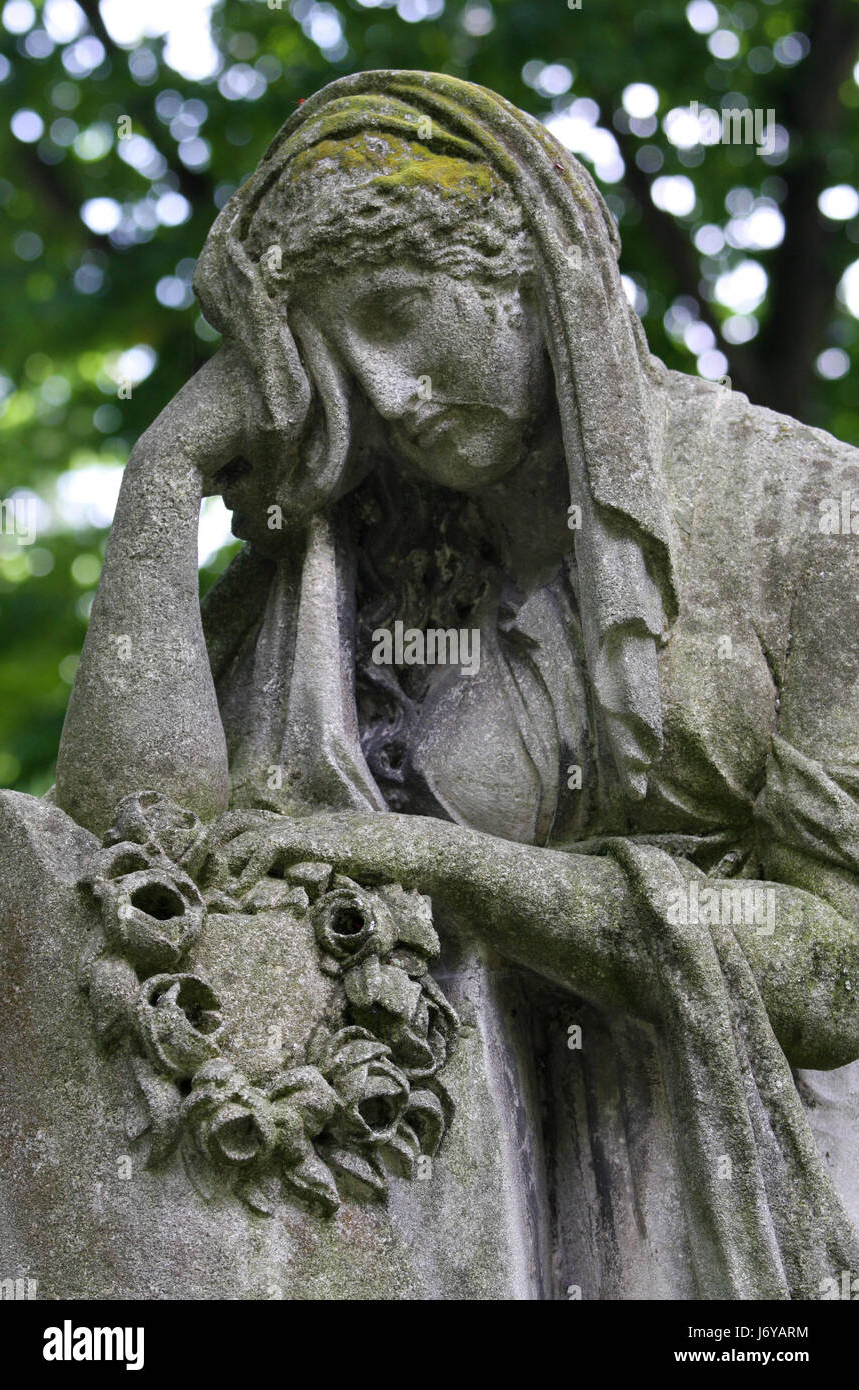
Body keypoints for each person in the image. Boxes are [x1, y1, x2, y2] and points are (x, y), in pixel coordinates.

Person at [52, 71, 859, 1298]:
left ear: (526, 271)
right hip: (412, 1196)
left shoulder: (806, 515)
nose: (382, 391)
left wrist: (450, 868)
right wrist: (160, 480)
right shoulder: (340, 566)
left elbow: (836, 972)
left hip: (718, 1195)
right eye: (331, 351)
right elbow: (123, 857)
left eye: (397, 309)